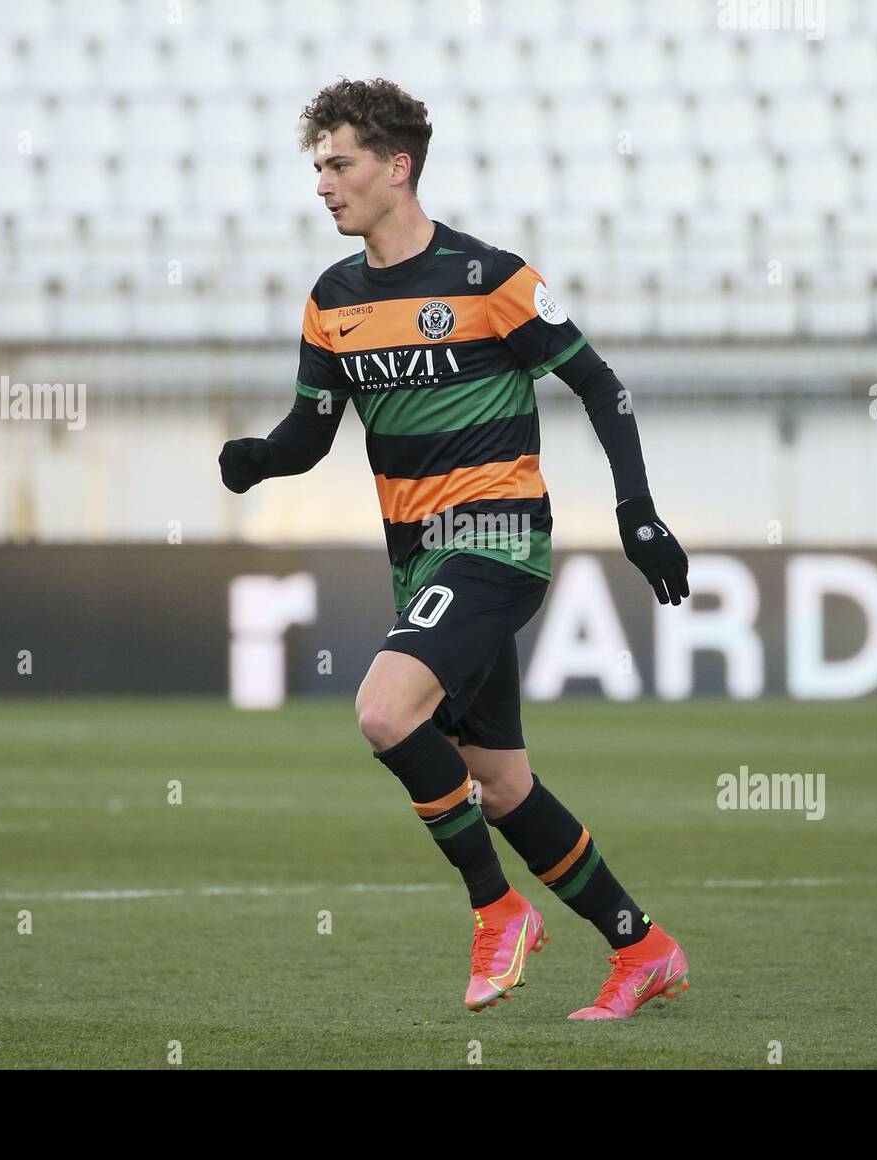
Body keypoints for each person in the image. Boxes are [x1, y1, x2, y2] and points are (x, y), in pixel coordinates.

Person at [219, 78, 690, 1019]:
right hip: (417, 558)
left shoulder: (489, 279)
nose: (323, 185)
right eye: (317, 167)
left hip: (497, 538)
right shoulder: (332, 300)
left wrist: (637, 512)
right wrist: (258, 460)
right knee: (503, 783)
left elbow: (603, 387)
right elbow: (312, 436)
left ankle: (498, 910)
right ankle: (643, 947)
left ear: (398, 168)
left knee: (386, 714)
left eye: (340, 164)